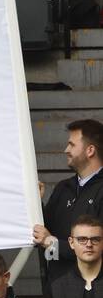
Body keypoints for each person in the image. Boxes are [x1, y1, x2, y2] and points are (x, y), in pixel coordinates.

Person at [34, 119, 103, 289]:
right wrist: (36, 204)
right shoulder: (63, 188)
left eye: (71, 145)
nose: (66, 150)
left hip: (94, 294)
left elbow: (97, 249)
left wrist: (53, 244)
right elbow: (42, 236)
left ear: (90, 150)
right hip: (57, 292)